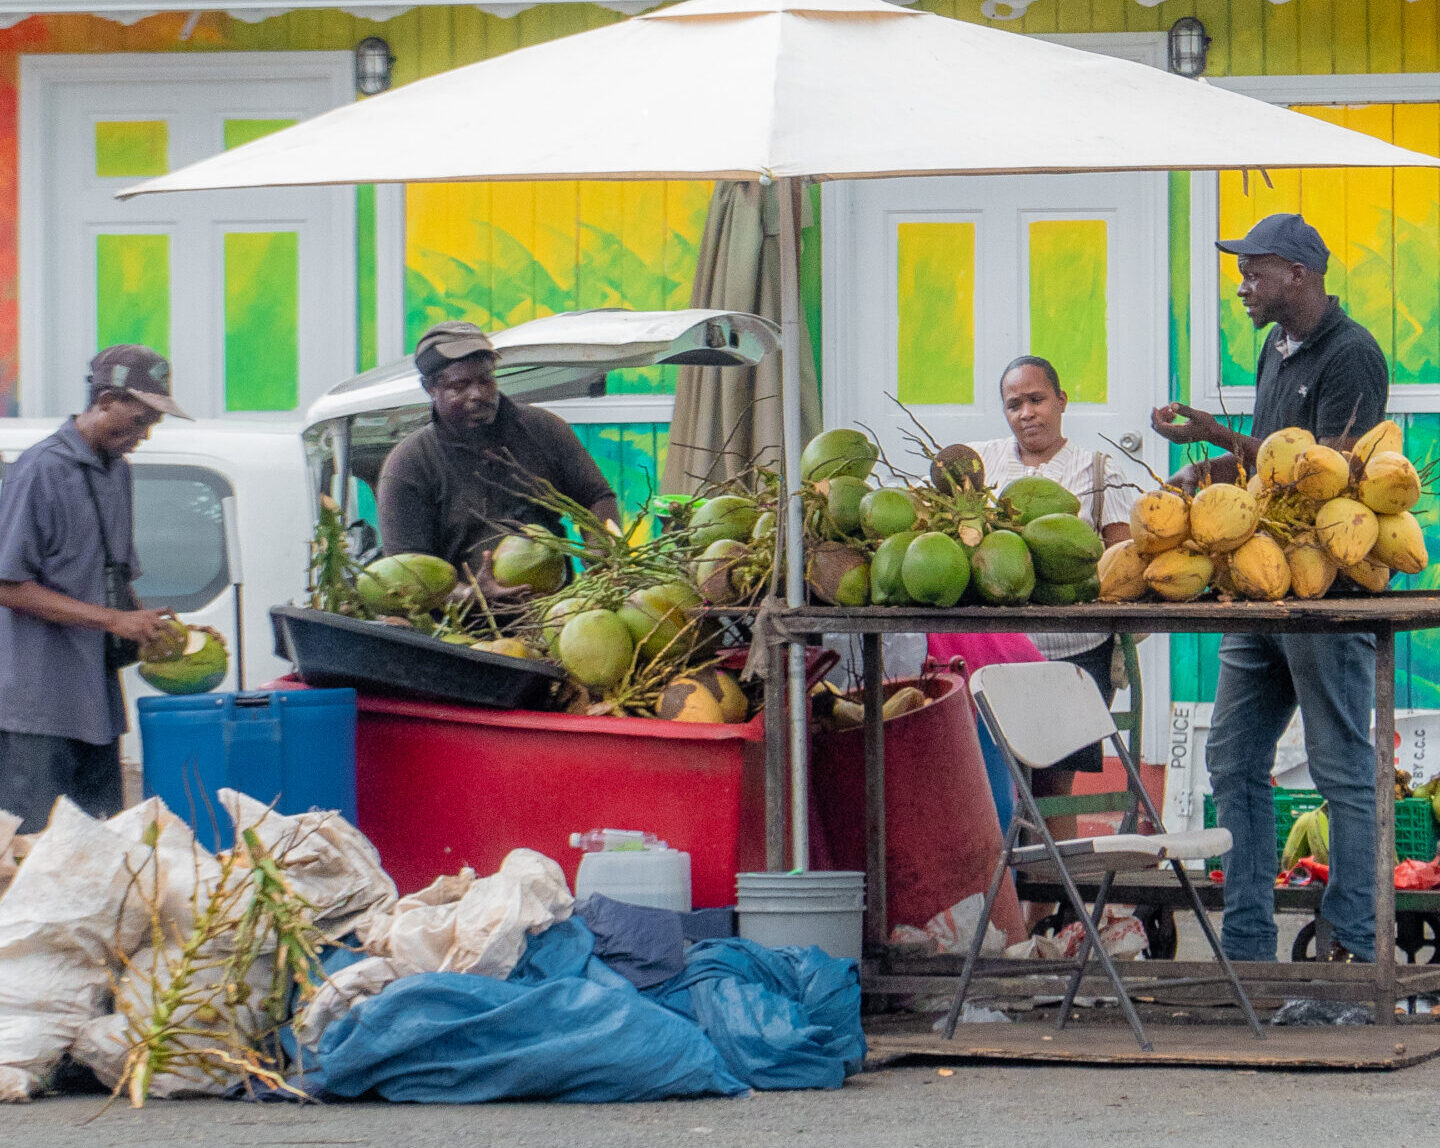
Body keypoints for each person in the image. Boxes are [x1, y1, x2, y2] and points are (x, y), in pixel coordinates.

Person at [1152, 212, 1388, 964]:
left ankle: (1351, 947)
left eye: (1255, 271)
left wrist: (1216, 439)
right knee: (1232, 760)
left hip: (1323, 599)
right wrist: (1209, 478)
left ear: (1299, 274)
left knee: (1343, 769)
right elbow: (1268, 478)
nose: (1243, 285)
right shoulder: (1273, 351)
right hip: (1259, 591)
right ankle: (1248, 944)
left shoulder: (1352, 356)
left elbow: (1328, 482)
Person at [0, 345, 188, 831]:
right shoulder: (39, 469)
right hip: (35, 708)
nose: (144, 434)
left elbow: (113, 578)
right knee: (32, 854)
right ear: (105, 399)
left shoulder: (117, 471)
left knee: (101, 843)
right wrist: (113, 620)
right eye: (139, 418)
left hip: (96, 701)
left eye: (153, 423)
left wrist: (151, 627)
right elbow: (8, 586)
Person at [965, 355, 1136, 840]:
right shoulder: (983, 465)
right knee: (994, 779)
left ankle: (1053, 909)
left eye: (1037, 399)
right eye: (1014, 404)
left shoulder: (1098, 469)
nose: (1026, 413)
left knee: (1053, 785)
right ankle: (1012, 905)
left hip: (1074, 656)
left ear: (1061, 401)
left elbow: (1120, 566)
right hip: (994, 654)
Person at [378, 321, 620, 603]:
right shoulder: (409, 466)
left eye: (486, 380)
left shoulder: (543, 430)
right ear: (430, 388)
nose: (478, 394)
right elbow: (406, 579)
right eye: (460, 385)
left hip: (557, 617)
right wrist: (472, 596)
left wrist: (602, 552)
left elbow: (597, 497)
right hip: (465, 636)